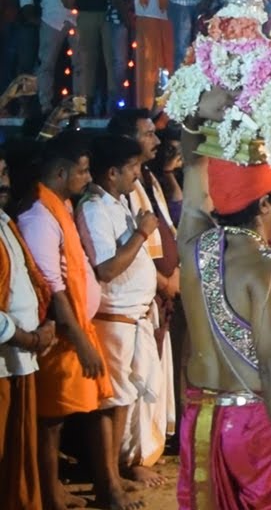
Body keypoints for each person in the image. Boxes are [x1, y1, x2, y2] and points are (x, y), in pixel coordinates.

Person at [173, 95, 271, 510]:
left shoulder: (192, 245)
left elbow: (192, 163)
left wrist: (197, 115)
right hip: (256, 426)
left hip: (201, 422)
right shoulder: (269, 265)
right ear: (269, 202)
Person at [19, 134, 121, 510]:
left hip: (77, 330)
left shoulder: (59, 208)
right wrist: (80, 341)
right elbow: (54, 288)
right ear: (60, 172)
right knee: (51, 421)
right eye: (80, 171)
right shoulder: (38, 218)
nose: (87, 178)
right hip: (61, 335)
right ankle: (51, 497)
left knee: (91, 408)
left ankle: (103, 488)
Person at [76, 135, 169, 490]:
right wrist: (142, 235)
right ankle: (108, 481)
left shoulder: (116, 203)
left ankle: (117, 469)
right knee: (111, 400)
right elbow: (107, 270)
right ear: (112, 172)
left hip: (133, 318)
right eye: (133, 168)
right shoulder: (95, 208)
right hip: (113, 319)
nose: (138, 174)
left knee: (124, 399)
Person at [0, 147, 55, 510]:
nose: (3, 182)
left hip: (17, 361)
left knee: (15, 459)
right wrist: (29, 337)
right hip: (7, 359)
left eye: (4, 172)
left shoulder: (5, 222)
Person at [20, 0, 78, 112]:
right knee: (46, 65)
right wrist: (31, 17)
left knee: (81, 63)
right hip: (50, 19)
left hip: (76, 16)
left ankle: (80, 105)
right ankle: (45, 106)